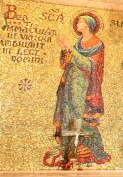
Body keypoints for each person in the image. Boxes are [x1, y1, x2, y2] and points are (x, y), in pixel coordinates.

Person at [45, 11, 112, 168]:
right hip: (69, 83)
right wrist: (65, 50)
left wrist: (71, 50)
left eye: (80, 22)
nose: (77, 25)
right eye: (77, 22)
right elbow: (66, 63)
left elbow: (90, 65)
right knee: (66, 112)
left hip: (82, 86)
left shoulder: (97, 44)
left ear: (88, 25)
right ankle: (66, 149)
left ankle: (84, 149)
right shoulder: (78, 42)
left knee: (77, 113)